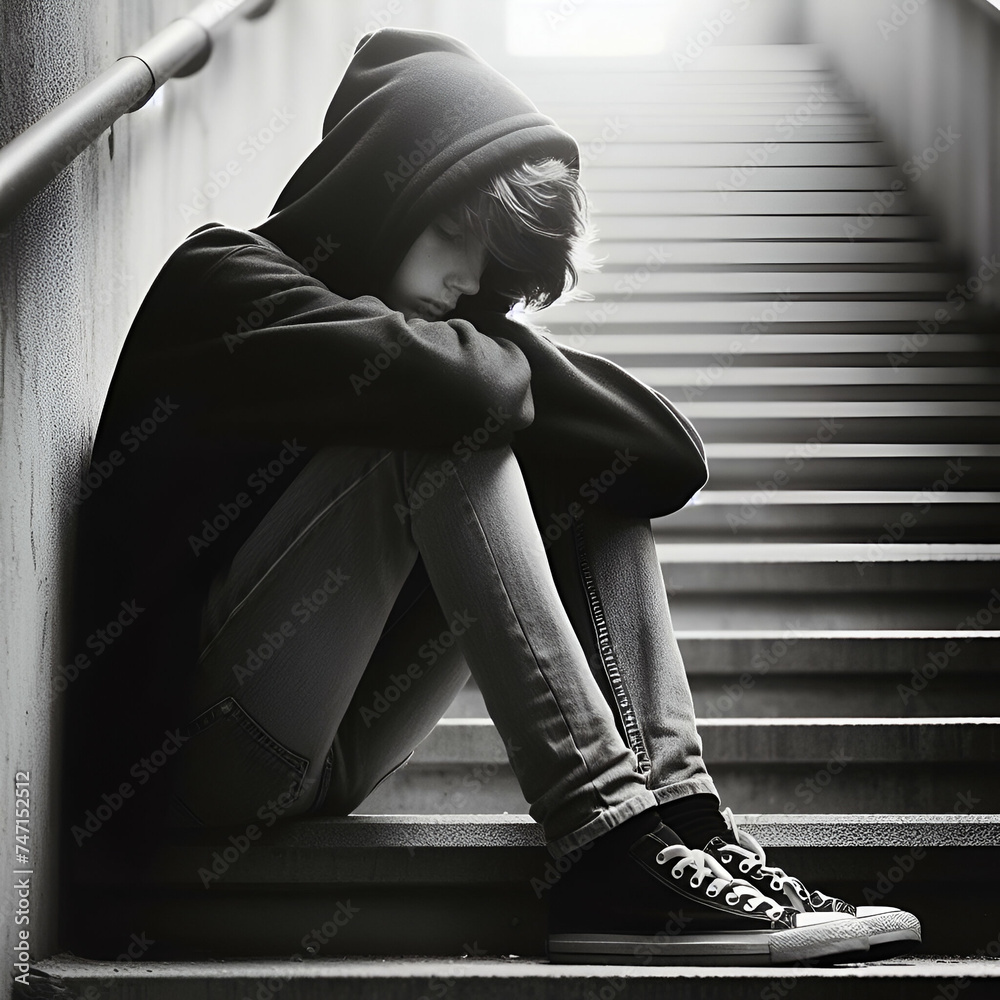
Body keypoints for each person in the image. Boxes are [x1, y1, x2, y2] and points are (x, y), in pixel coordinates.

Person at [65, 26, 919, 965]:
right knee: (445, 441)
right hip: (198, 760)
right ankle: (605, 839)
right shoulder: (223, 283)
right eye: (450, 230)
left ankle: (683, 818)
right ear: (379, 186)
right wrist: (498, 368)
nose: (470, 277)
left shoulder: (440, 337)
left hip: (332, 742)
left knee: (588, 480)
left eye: (490, 254)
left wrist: (495, 350)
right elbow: (462, 396)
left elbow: (662, 458)